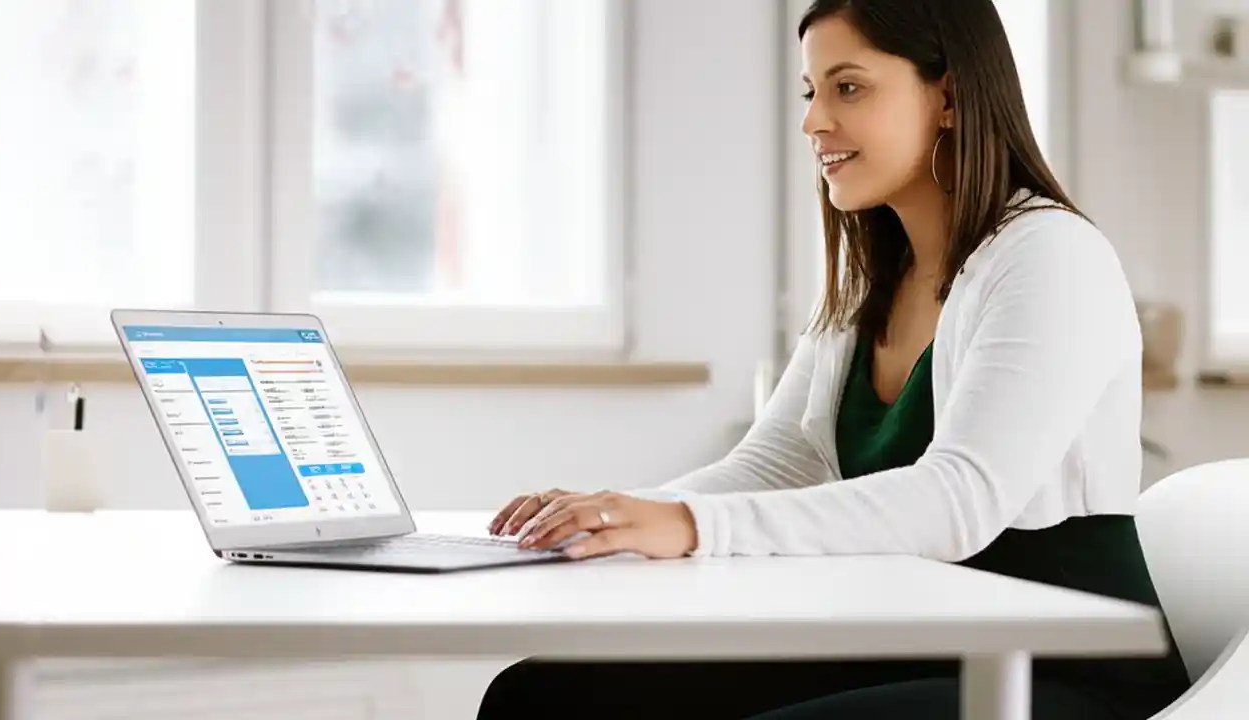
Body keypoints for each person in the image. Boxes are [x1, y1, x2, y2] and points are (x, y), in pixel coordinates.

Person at [476, 1, 1193, 717]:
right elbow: (772, 465)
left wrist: (689, 527)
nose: (814, 120)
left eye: (848, 87)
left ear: (948, 97)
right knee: (541, 697)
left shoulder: (1050, 255)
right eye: (810, 91)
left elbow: (959, 500)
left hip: (1068, 672)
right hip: (920, 644)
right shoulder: (876, 279)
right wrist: (618, 519)